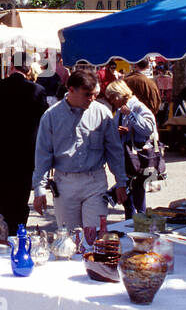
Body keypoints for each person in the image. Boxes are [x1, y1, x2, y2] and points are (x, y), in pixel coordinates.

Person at [32, 69, 127, 229]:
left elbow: (114, 151)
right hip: (65, 184)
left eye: (94, 94)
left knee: (95, 235)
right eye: (87, 94)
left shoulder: (102, 113)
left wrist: (121, 181)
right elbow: (43, 155)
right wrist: (39, 189)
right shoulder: (51, 116)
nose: (92, 99)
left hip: (95, 182)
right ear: (71, 90)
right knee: (69, 239)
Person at [0, 65, 48, 235]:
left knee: (2, 198)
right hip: (26, 154)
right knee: (21, 198)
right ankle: (18, 232)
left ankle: (3, 233)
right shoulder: (37, 90)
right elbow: (44, 126)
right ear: (28, 70)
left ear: (10, 68)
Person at [105, 79, 158, 216]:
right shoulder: (120, 110)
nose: (111, 101)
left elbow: (148, 129)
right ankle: (132, 223)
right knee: (129, 198)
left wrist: (131, 119)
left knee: (137, 194)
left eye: (112, 97)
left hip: (137, 159)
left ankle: (138, 224)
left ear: (120, 94)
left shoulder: (137, 107)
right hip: (127, 159)